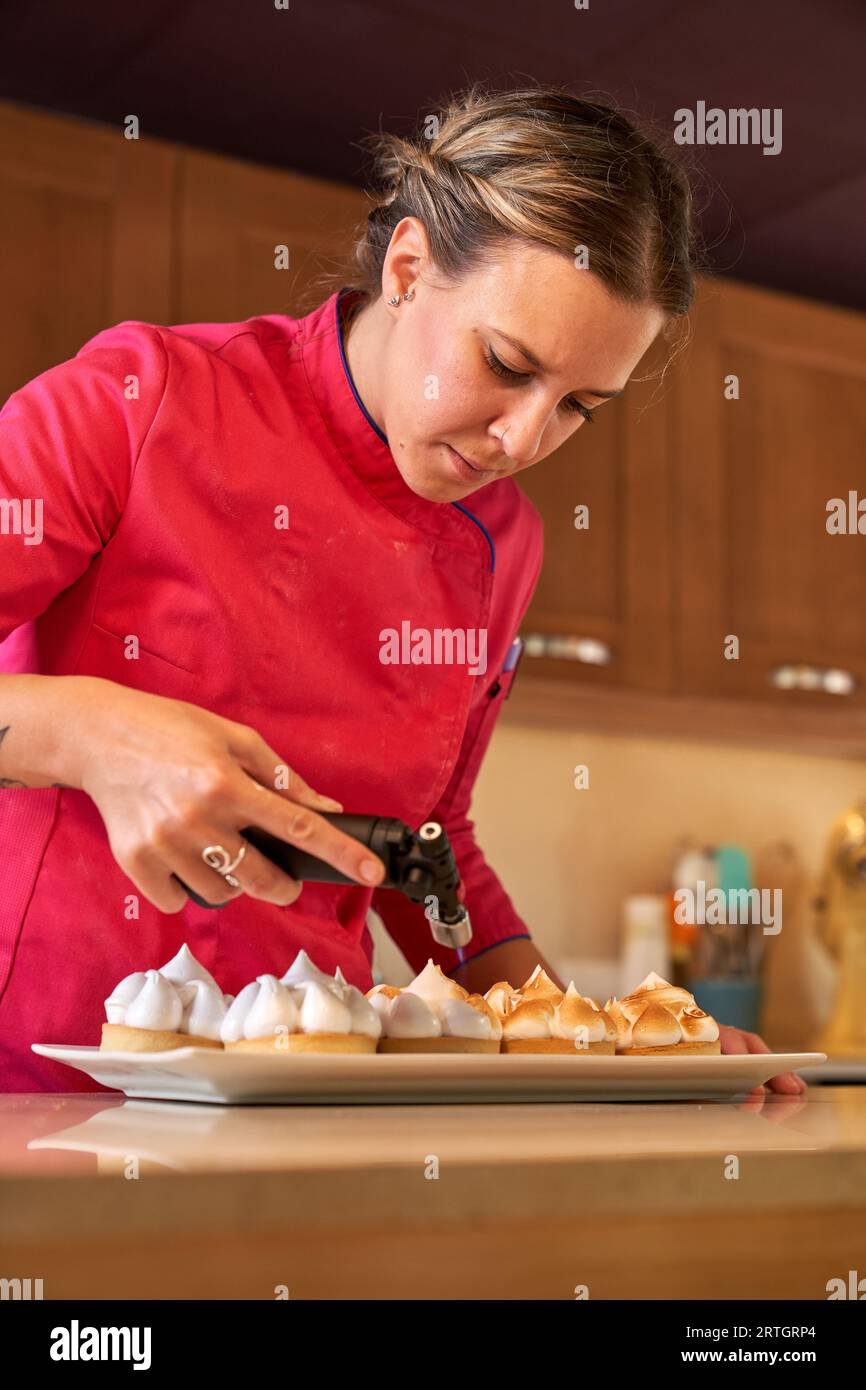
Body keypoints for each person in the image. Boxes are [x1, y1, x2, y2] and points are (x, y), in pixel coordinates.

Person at [0, 82, 804, 1095]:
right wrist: (85, 733)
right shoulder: (138, 400)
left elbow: (431, 854)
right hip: (34, 1082)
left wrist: (622, 1054)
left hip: (313, 1094)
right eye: (504, 363)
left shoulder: (502, 542)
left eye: (579, 408)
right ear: (409, 267)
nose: (522, 440)